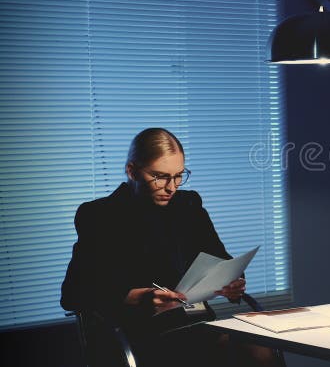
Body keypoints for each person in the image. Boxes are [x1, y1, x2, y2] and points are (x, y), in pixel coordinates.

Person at [61, 128, 281, 367]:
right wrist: (138, 296)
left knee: (259, 348)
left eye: (178, 175)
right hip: (139, 336)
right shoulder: (100, 215)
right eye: (160, 176)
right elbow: (74, 294)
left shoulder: (188, 206)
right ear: (132, 171)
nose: (172, 187)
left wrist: (232, 282)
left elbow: (221, 260)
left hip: (196, 325)